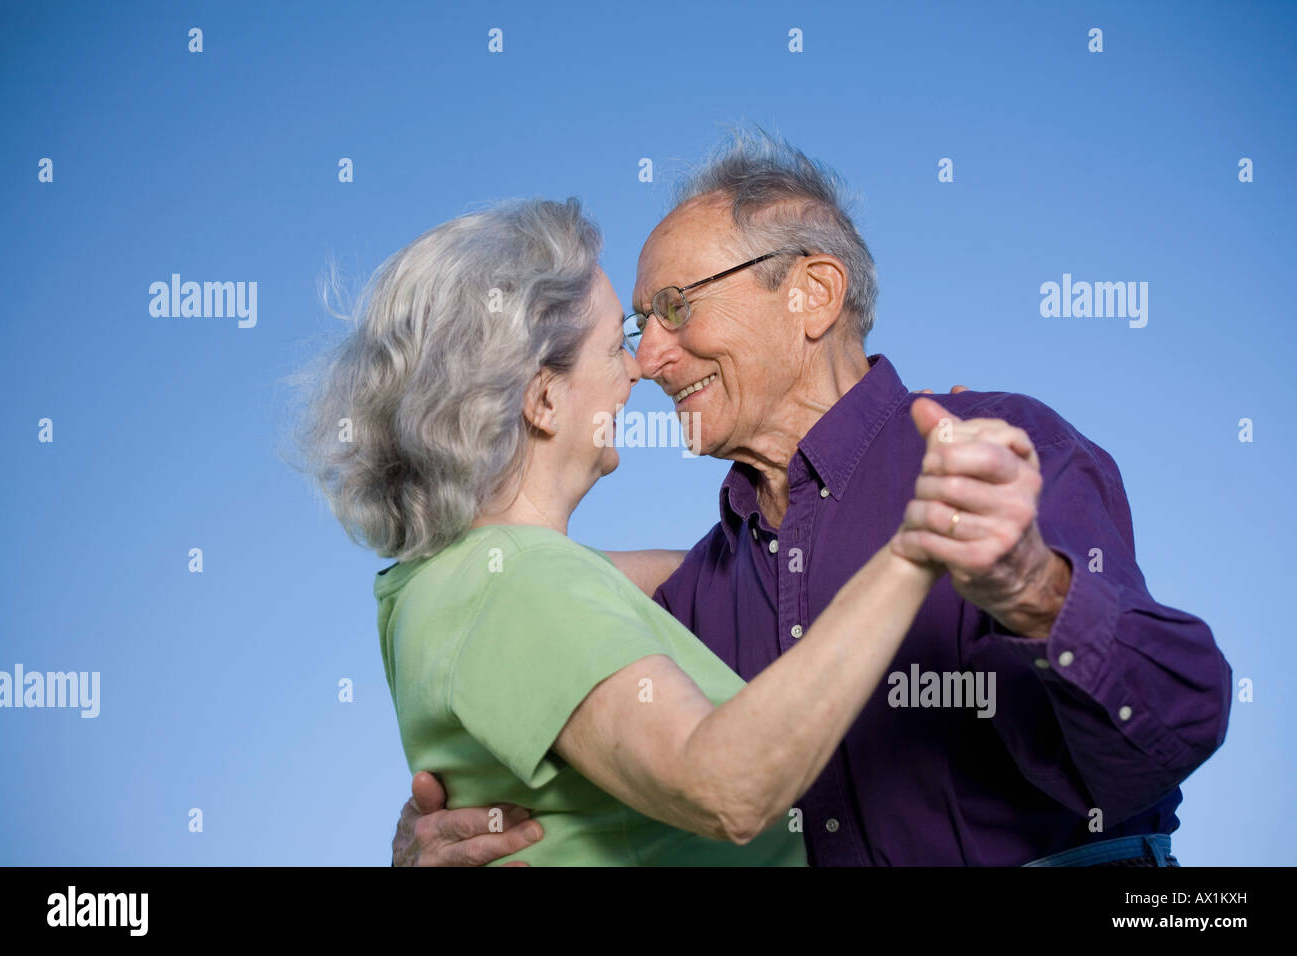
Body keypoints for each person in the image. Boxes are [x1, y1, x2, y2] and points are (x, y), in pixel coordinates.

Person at [394, 130, 1231, 867]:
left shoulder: (993, 449)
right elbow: (533, 622)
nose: (647, 360)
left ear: (813, 296)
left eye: (676, 308)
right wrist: (438, 835)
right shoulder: (698, 596)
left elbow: (1173, 731)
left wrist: (1038, 593)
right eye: (640, 323)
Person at [298, 195, 1033, 865]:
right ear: (545, 400)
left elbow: (673, 578)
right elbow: (726, 788)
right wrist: (918, 542)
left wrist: (850, 507)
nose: (639, 369)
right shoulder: (521, 587)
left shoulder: (455, 584)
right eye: (615, 345)